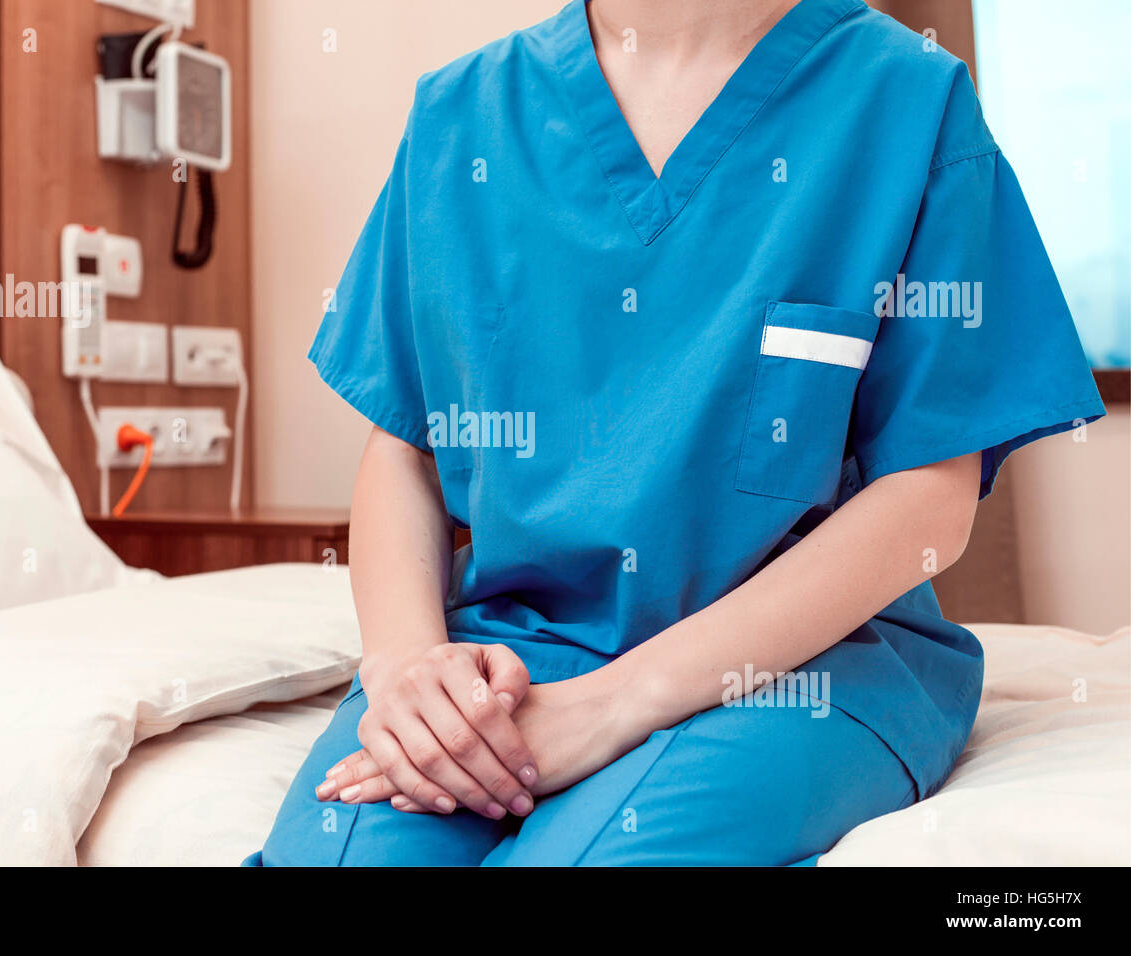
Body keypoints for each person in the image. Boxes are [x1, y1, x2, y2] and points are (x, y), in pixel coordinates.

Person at [245, 0, 1104, 866]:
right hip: (503, 654)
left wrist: (612, 704)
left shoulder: (905, 100)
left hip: (804, 668)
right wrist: (404, 667)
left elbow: (929, 503)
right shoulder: (460, 113)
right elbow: (407, 448)